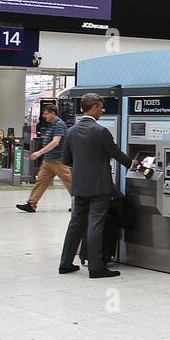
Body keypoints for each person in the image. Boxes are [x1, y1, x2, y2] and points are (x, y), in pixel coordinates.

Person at [59, 93, 136, 278]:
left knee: (76, 224)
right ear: (93, 107)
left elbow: (66, 160)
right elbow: (116, 154)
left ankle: (65, 263)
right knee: (96, 224)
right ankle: (96, 267)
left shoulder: (71, 131)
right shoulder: (101, 132)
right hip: (99, 187)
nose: (102, 110)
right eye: (101, 107)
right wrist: (133, 164)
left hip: (80, 186)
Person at [18, 106, 72, 213]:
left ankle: (80, 203)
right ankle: (31, 204)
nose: (44, 116)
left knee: (69, 182)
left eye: (46, 114)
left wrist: (39, 152)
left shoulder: (59, 124)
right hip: (49, 160)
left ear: (53, 113)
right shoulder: (52, 124)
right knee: (41, 182)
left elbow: (55, 142)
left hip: (58, 160)